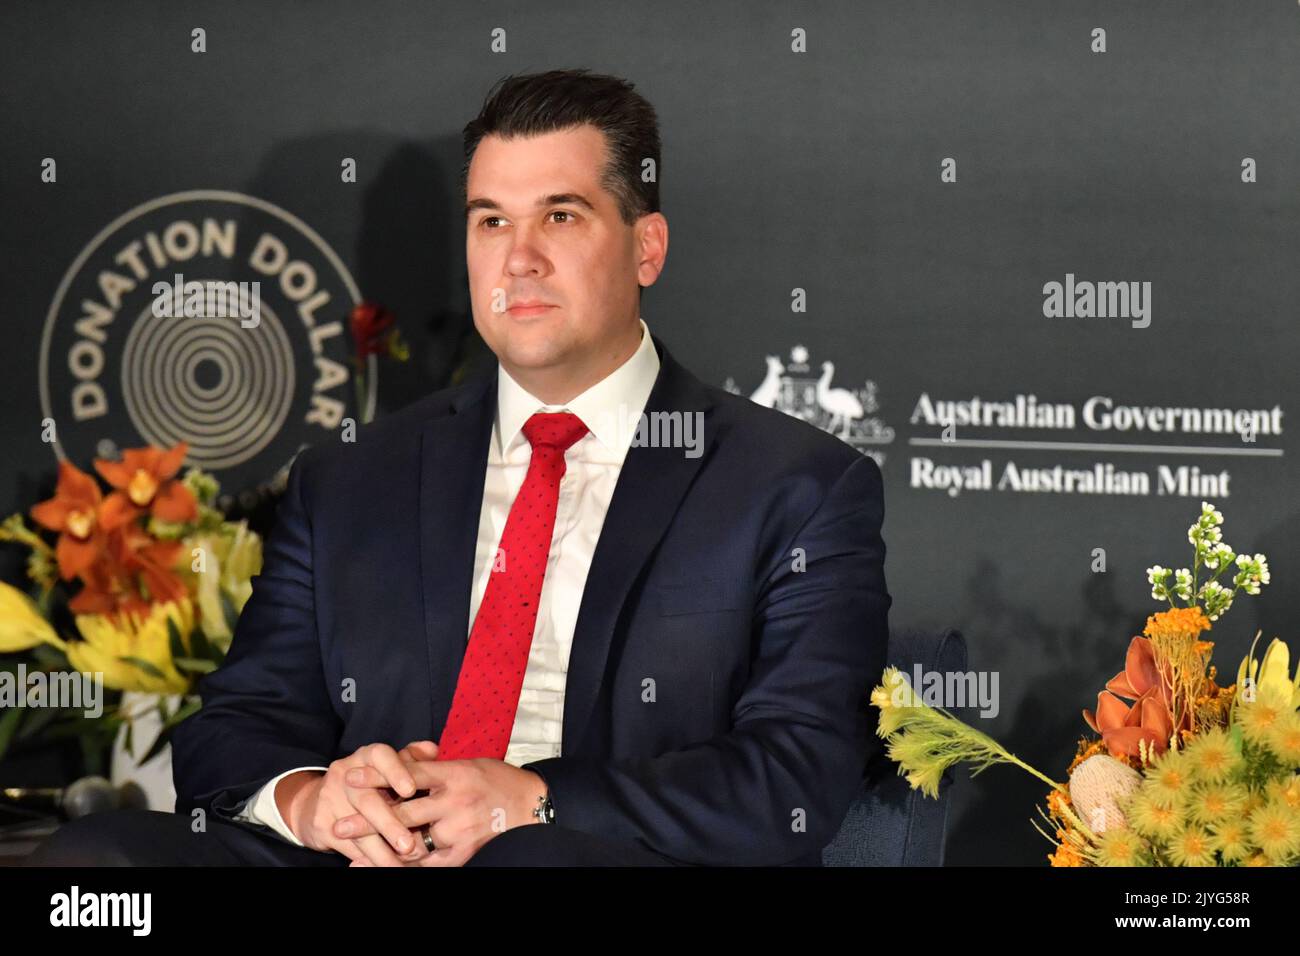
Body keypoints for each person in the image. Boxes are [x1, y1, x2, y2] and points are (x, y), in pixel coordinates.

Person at [29, 68, 890, 868]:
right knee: (96, 863)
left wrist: (531, 802)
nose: (518, 258)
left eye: (561, 215)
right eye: (491, 221)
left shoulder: (793, 488)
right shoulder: (351, 478)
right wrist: (312, 800)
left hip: (584, 856)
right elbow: (239, 725)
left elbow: (796, 773)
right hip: (356, 861)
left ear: (647, 248)